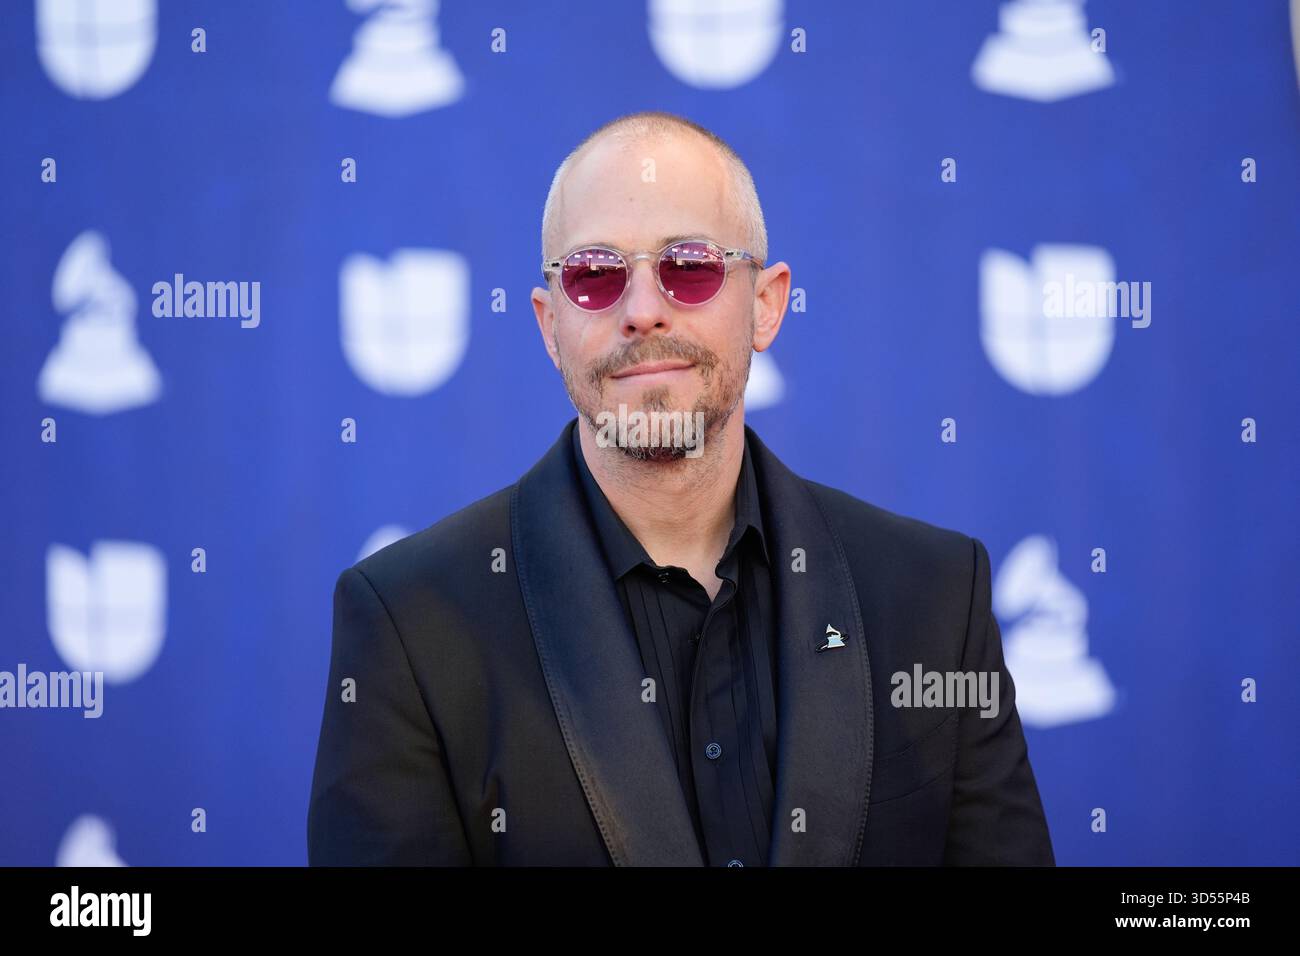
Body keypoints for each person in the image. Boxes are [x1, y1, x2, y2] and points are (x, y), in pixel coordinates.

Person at [307, 110, 1055, 866]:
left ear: (766, 304)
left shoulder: (932, 596)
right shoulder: (414, 624)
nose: (642, 310)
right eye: (594, 275)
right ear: (549, 325)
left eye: (688, 265)